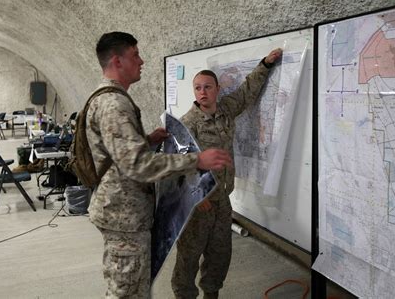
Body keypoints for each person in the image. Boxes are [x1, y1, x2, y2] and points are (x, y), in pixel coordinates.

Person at [86, 31, 233, 299]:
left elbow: (118, 152)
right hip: (124, 215)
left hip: (124, 211)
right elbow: (137, 164)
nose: (141, 61)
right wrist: (196, 160)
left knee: (134, 286)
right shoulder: (114, 103)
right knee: (126, 291)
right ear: (117, 61)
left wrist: (147, 139)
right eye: (135, 55)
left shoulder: (109, 97)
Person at [171, 48, 283, 299]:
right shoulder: (187, 124)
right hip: (196, 204)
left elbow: (245, 93)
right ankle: (183, 295)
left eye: (208, 87)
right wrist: (197, 197)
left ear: (217, 89)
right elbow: (178, 167)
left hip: (221, 198)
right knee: (189, 255)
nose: (203, 92)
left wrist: (265, 64)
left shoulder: (225, 111)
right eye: (198, 88)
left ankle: (212, 293)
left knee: (220, 252)